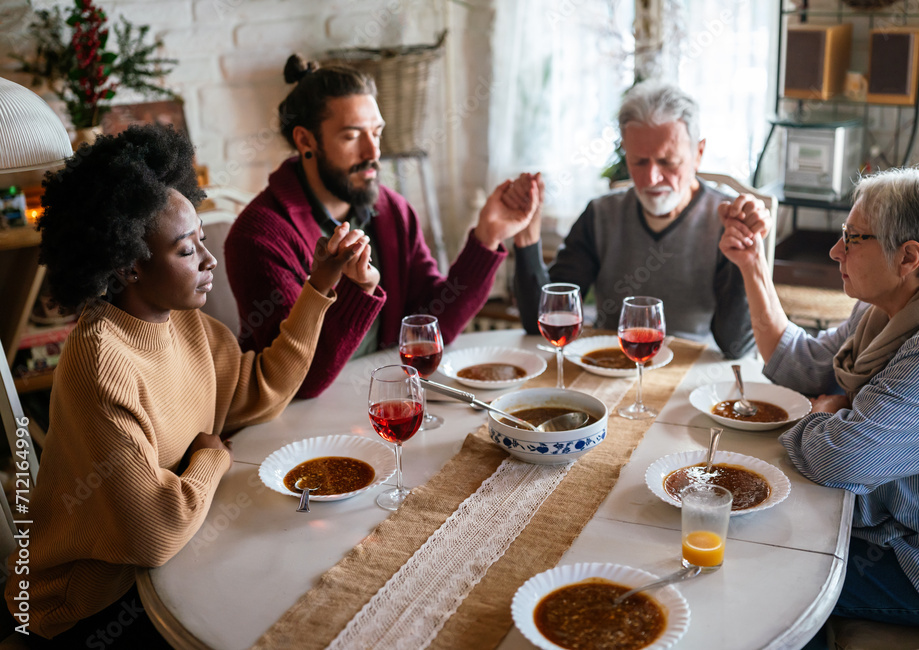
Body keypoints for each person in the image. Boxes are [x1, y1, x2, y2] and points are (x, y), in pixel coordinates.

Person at [4, 125, 362, 644]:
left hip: (175, 562)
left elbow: (261, 390)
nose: (208, 259)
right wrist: (212, 457)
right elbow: (154, 532)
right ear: (128, 265)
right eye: (186, 250)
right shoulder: (99, 363)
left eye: (202, 240)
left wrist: (320, 285)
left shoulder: (186, 324)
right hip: (87, 610)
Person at [719, 167, 919, 639]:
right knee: (756, 527)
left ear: (908, 257)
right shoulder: (888, 311)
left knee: (772, 568)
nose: (836, 250)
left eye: (852, 238)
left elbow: (840, 458)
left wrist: (824, 413)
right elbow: (802, 365)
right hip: (894, 523)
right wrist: (752, 265)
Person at [225, 55, 539, 397]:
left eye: (376, 133)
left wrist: (487, 237)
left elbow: (432, 322)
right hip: (297, 417)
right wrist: (359, 291)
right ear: (306, 141)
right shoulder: (258, 237)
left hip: (381, 398)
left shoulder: (393, 211)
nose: (372, 151)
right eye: (351, 136)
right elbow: (295, 382)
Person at [511, 81, 770, 358]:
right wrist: (527, 237)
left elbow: (735, 346)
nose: (652, 178)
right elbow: (542, 320)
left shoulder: (725, 221)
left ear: (698, 153)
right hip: (611, 363)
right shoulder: (601, 215)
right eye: (639, 161)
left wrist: (744, 256)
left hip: (693, 368)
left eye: (668, 162)